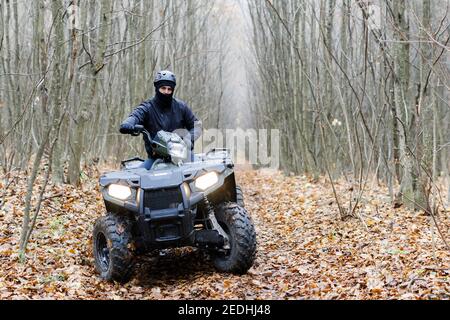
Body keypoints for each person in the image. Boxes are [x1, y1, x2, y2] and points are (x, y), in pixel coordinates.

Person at [119, 70, 202, 169]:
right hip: (155, 159)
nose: (166, 92)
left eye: (169, 89)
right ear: (157, 88)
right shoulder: (147, 107)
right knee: (135, 180)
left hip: (183, 156)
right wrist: (128, 123)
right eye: (163, 88)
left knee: (203, 172)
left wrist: (188, 139)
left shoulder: (181, 107)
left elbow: (197, 126)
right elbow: (136, 116)